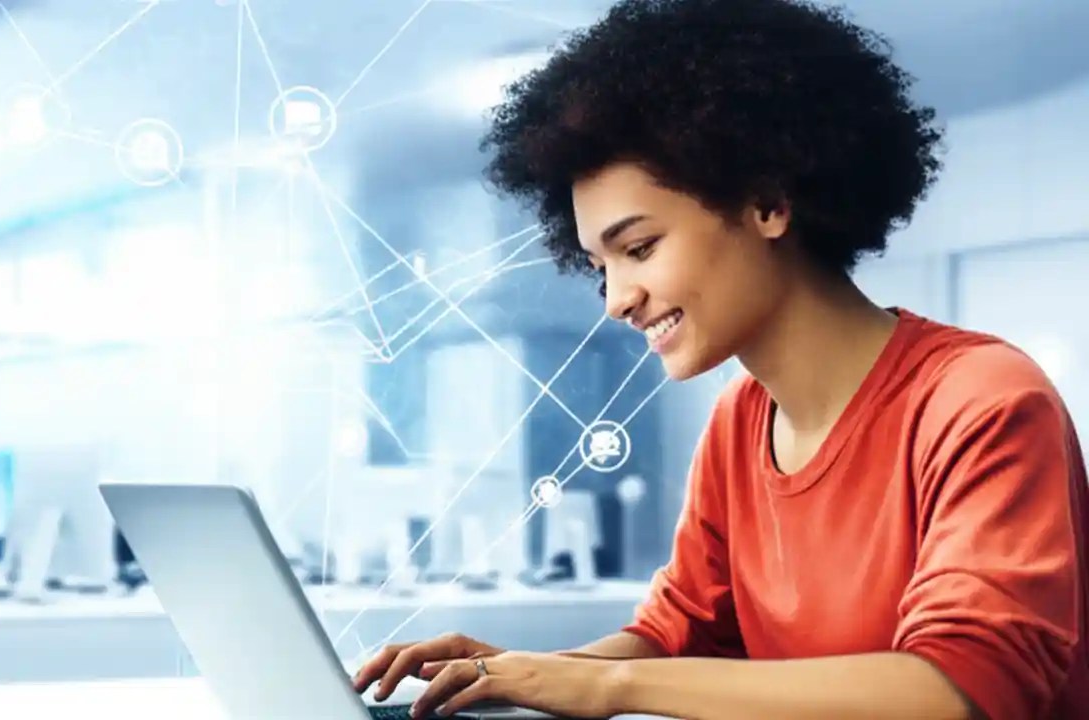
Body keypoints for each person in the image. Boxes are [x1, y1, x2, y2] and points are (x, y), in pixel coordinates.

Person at [351, 0, 1089, 718]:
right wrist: (515, 673)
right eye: (600, 266)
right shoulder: (743, 418)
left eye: (639, 249)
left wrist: (610, 689)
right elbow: (674, 638)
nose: (616, 299)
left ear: (767, 203)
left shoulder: (982, 400)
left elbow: (955, 691)